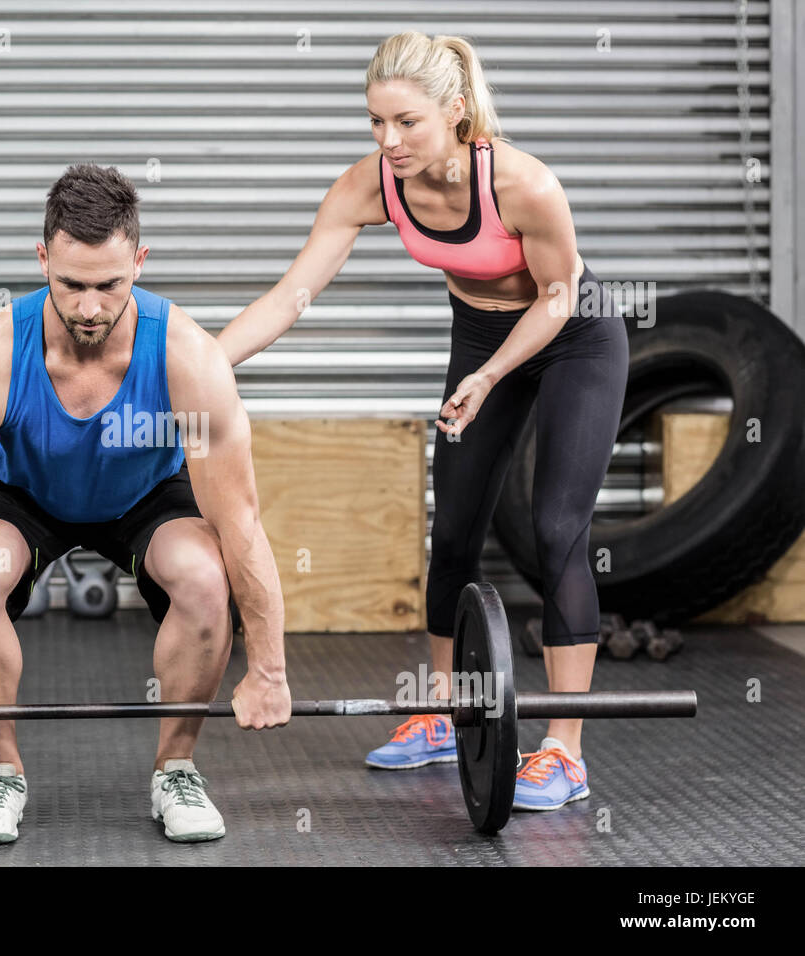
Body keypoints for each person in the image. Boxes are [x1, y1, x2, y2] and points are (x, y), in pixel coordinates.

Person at [216, 32, 628, 813]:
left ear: (457, 111)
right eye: (375, 123)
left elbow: (558, 296)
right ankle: (444, 711)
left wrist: (489, 376)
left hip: (572, 334)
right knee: (456, 532)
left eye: (406, 123)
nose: (388, 142)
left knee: (557, 528)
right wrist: (204, 362)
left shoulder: (524, 184)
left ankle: (566, 751)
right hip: (479, 336)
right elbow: (291, 295)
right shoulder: (371, 185)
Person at [0, 163, 291, 845]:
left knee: (203, 574)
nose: (91, 307)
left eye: (110, 284)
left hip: (144, 497)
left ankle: (175, 770)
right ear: (42, 259)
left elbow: (240, 522)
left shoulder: (188, 358)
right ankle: (1, 774)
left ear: (140, 261)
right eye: (71, 284)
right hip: (26, 496)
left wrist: (270, 669)